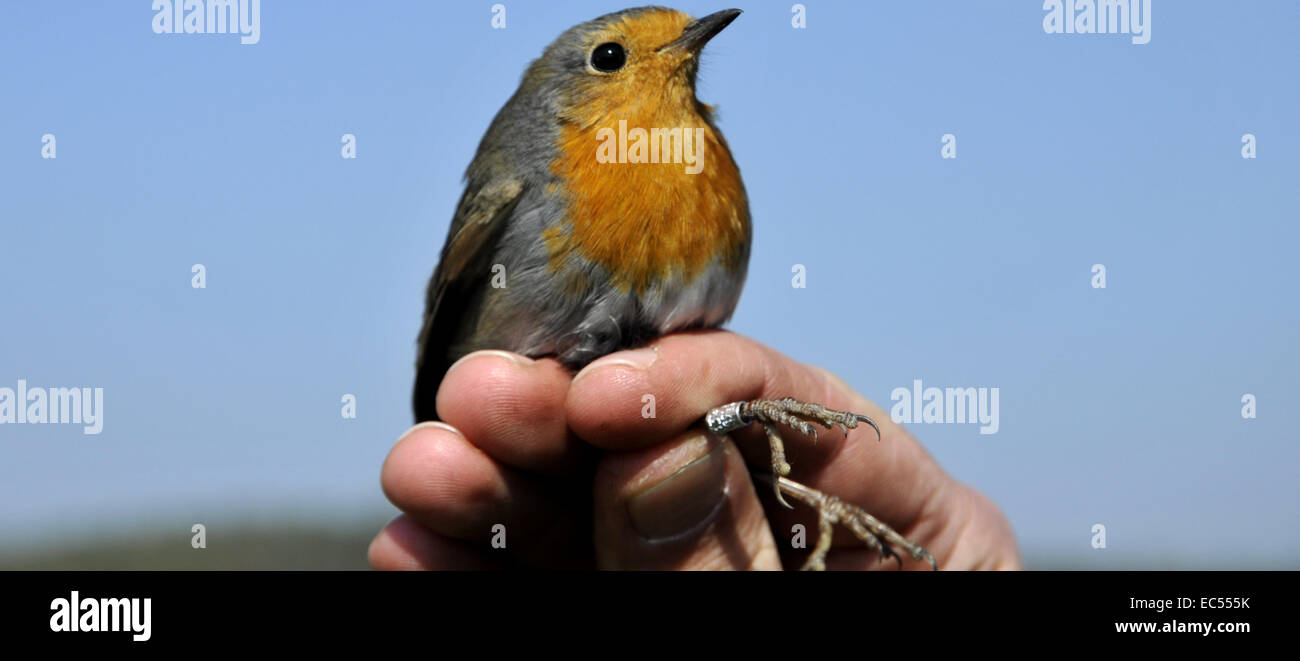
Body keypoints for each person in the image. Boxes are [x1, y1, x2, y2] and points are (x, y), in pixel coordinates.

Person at [370, 331, 1021, 570]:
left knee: (662, 422)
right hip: (562, 439)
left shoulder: (704, 173)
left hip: (622, 425)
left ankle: (791, 475)